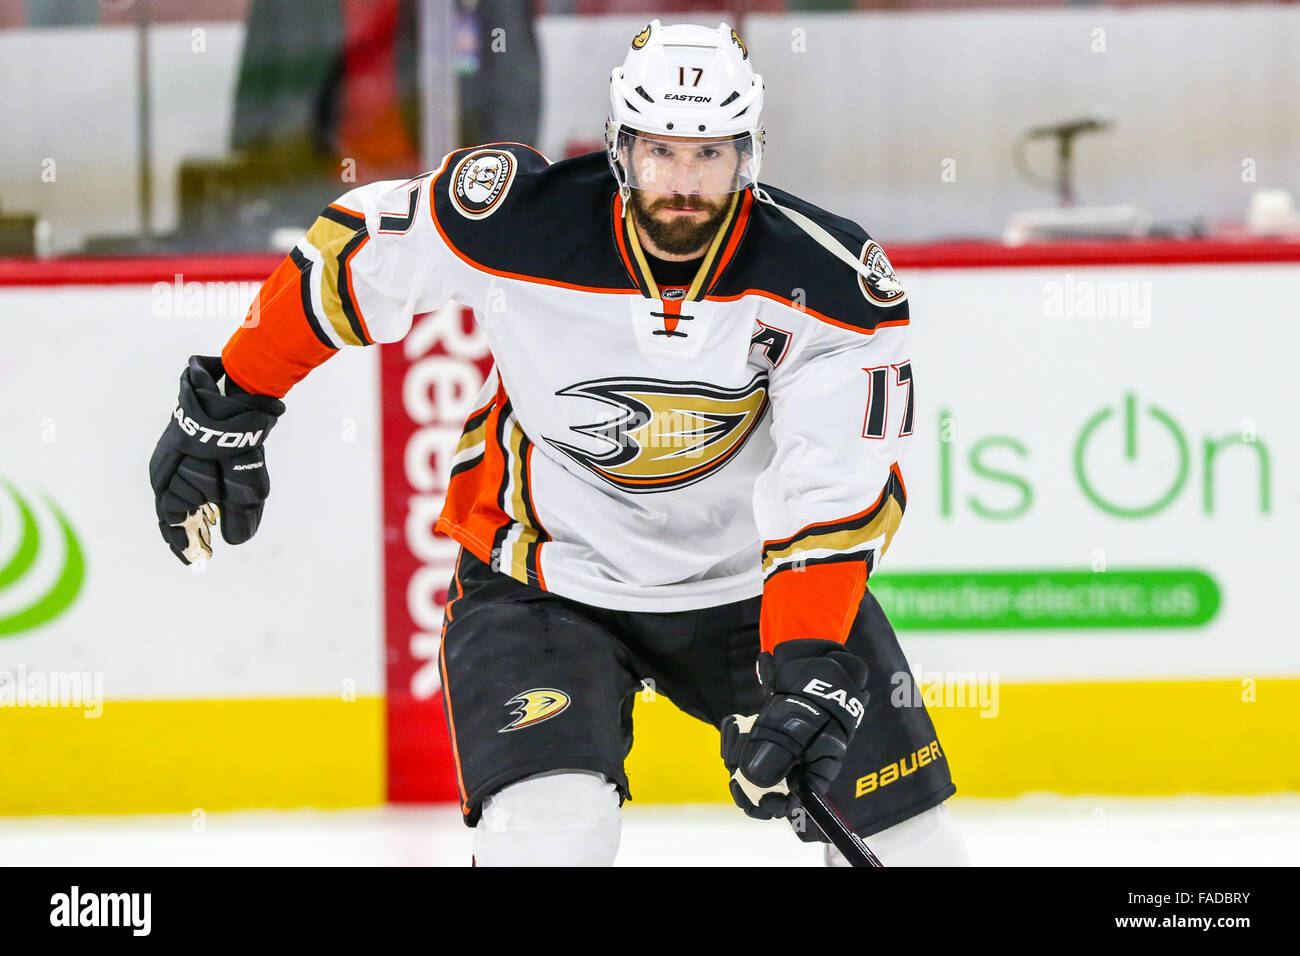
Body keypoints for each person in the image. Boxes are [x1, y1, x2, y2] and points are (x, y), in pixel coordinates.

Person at [149, 20, 969, 867]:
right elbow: (356, 258)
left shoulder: (833, 285)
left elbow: (830, 490)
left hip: (747, 587)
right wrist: (232, 400)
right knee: (551, 833)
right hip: (545, 580)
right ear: (619, 147)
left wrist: (805, 663)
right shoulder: (515, 219)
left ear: (750, 154)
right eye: (660, 152)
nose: (683, 184)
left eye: (710, 156)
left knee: (914, 847)